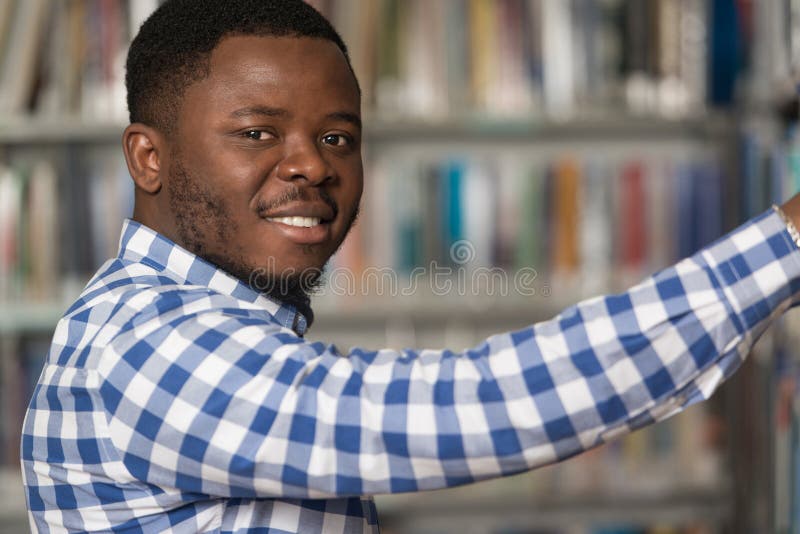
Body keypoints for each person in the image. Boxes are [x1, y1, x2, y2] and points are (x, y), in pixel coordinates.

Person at [20, 0, 800, 532]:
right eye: (257, 132)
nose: (313, 166)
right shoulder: (147, 342)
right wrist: (787, 243)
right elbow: (481, 406)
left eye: (337, 138)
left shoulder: (205, 325)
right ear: (148, 158)